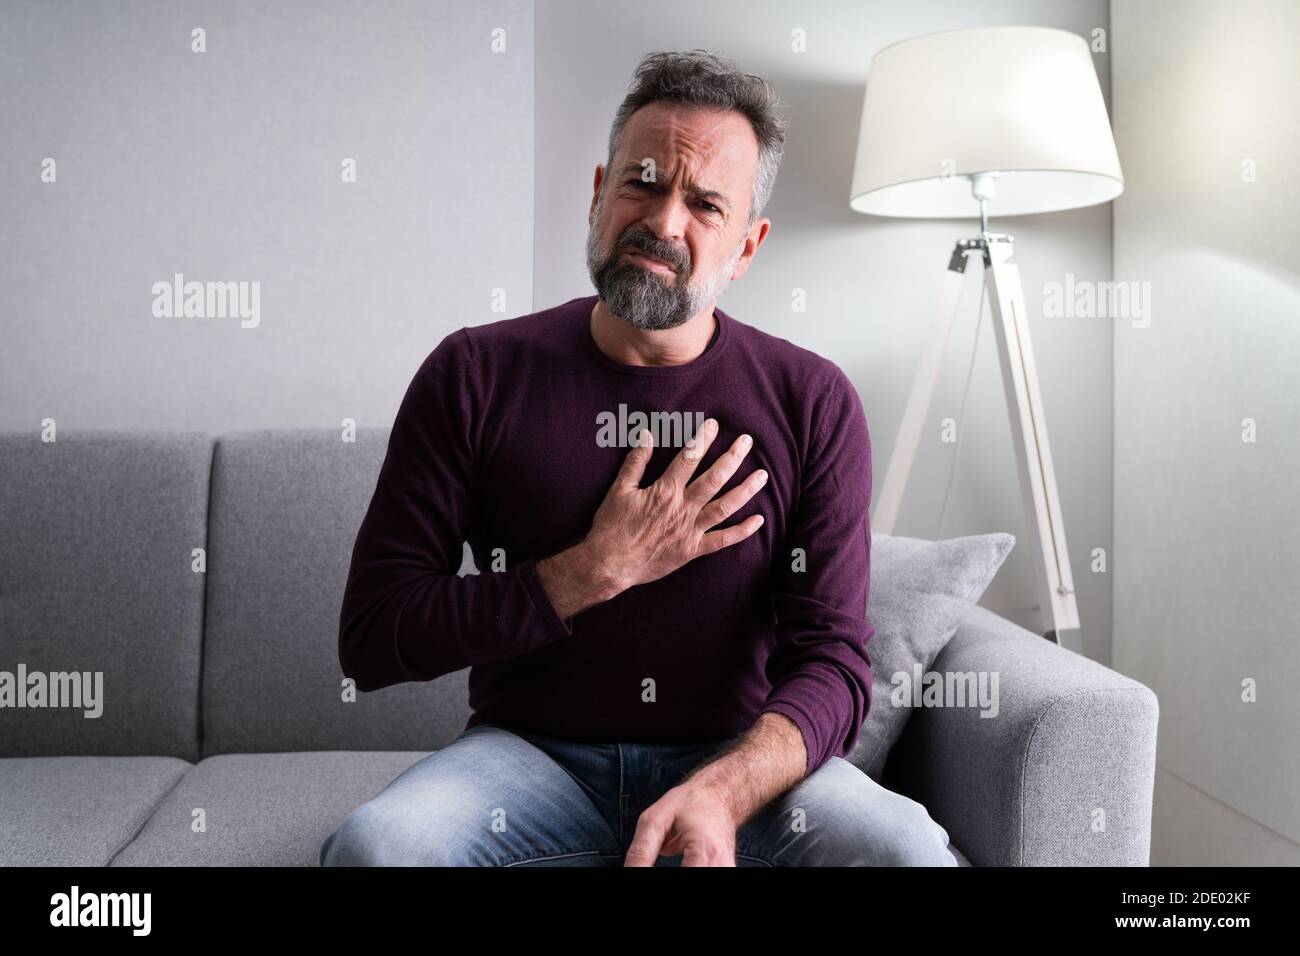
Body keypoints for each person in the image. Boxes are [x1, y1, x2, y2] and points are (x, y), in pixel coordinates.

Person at [320, 49, 956, 867]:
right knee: (379, 849)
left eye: (705, 204)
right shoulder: (472, 374)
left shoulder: (814, 399)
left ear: (748, 246)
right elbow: (372, 635)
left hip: (735, 764)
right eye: (644, 183)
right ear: (597, 193)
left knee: (907, 850)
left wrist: (723, 793)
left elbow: (832, 660)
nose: (663, 222)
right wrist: (591, 570)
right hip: (530, 759)